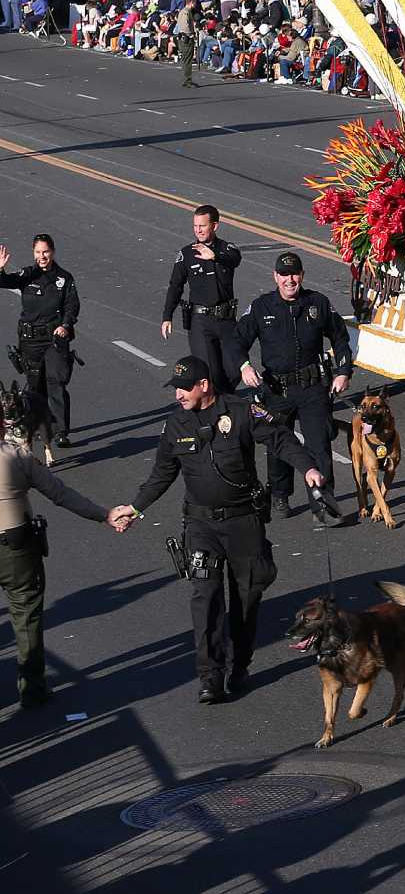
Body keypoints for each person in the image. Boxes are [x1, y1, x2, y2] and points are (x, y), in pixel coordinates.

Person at [109, 357, 323, 703]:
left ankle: (240, 665)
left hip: (243, 522)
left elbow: (279, 439)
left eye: (184, 388)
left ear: (204, 385)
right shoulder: (175, 425)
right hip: (201, 525)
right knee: (205, 599)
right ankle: (210, 677)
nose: (178, 395)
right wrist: (134, 508)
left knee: (246, 598)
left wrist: (308, 468)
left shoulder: (240, 411)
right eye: (176, 388)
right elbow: (162, 474)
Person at [2, 418, 132, 708]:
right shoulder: (17, 457)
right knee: (25, 613)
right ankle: (32, 688)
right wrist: (104, 515)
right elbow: (60, 494)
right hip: (15, 548)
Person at [227, 253, 352, 527]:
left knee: (319, 446)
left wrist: (343, 372)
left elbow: (341, 338)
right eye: (284, 275)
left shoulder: (317, 303)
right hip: (276, 390)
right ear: (275, 277)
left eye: (294, 274)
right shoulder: (261, 307)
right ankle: (280, 495)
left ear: (302, 275)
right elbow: (236, 342)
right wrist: (245, 367)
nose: (289, 279)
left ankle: (323, 505)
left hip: (312, 387)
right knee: (279, 447)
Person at [0, 236, 79, 450]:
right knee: (35, 388)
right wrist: (0, 270)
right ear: (33, 253)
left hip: (54, 339)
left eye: (45, 252)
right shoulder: (27, 275)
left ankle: (61, 431)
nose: (42, 256)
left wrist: (65, 325)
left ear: (52, 252)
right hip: (30, 341)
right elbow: (4, 282)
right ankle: (39, 425)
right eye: (38, 252)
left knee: (56, 381)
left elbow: (72, 306)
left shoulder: (64, 278)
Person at [162, 205, 243, 390]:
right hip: (201, 321)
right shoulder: (186, 254)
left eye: (203, 226)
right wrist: (167, 316)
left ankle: (223, 399)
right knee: (210, 373)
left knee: (235, 369)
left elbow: (235, 259)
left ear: (215, 226)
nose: (198, 230)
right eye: (195, 226)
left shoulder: (226, 249)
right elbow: (175, 286)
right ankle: (219, 410)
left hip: (226, 319)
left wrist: (215, 257)